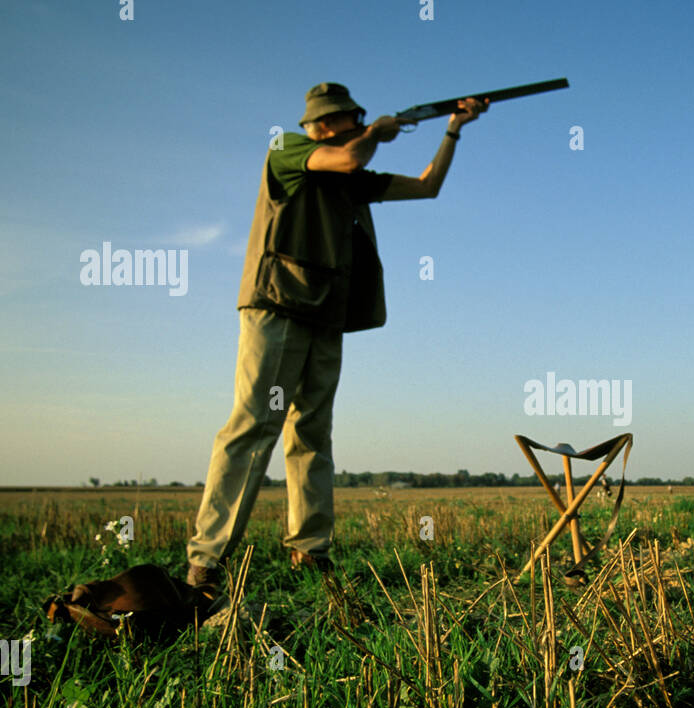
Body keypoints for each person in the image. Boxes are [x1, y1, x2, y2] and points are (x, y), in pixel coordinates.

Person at [186, 83, 486, 591]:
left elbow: (427, 185)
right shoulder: (286, 148)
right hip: (278, 305)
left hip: (327, 314)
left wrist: (453, 129)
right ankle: (206, 562)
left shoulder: (352, 175)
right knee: (255, 424)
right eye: (351, 119)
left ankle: (310, 551)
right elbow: (347, 159)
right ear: (325, 124)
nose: (359, 125)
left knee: (312, 434)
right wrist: (375, 133)